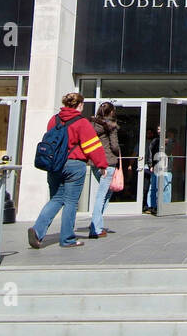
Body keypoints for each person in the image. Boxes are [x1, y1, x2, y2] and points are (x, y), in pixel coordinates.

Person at [27, 93, 108, 249]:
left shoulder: (54, 120)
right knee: (71, 202)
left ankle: (37, 230)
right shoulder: (81, 123)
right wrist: (101, 165)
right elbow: (92, 146)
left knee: (56, 199)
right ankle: (67, 239)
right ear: (79, 105)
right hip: (74, 165)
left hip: (54, 165)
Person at [87, 102, 121, 238]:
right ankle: (96, 228)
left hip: (95, 162)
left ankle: (96, 221)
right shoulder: (110, 126)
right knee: (102, 194)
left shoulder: (91, 125)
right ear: (111, 112)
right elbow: (114, 146)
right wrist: (119, 151)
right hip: (107, 162)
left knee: (106, 193)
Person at [143, 125, 161, 214]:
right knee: (153, 187)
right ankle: (152, 206)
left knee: (161, 187)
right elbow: (151, 152)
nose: (159, 130)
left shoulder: (167, 141)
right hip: (155, 166)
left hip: (164, 168)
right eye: (158, 129)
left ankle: (161, 206)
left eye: (160, 129)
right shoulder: (155, 141)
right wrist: (151, 165)